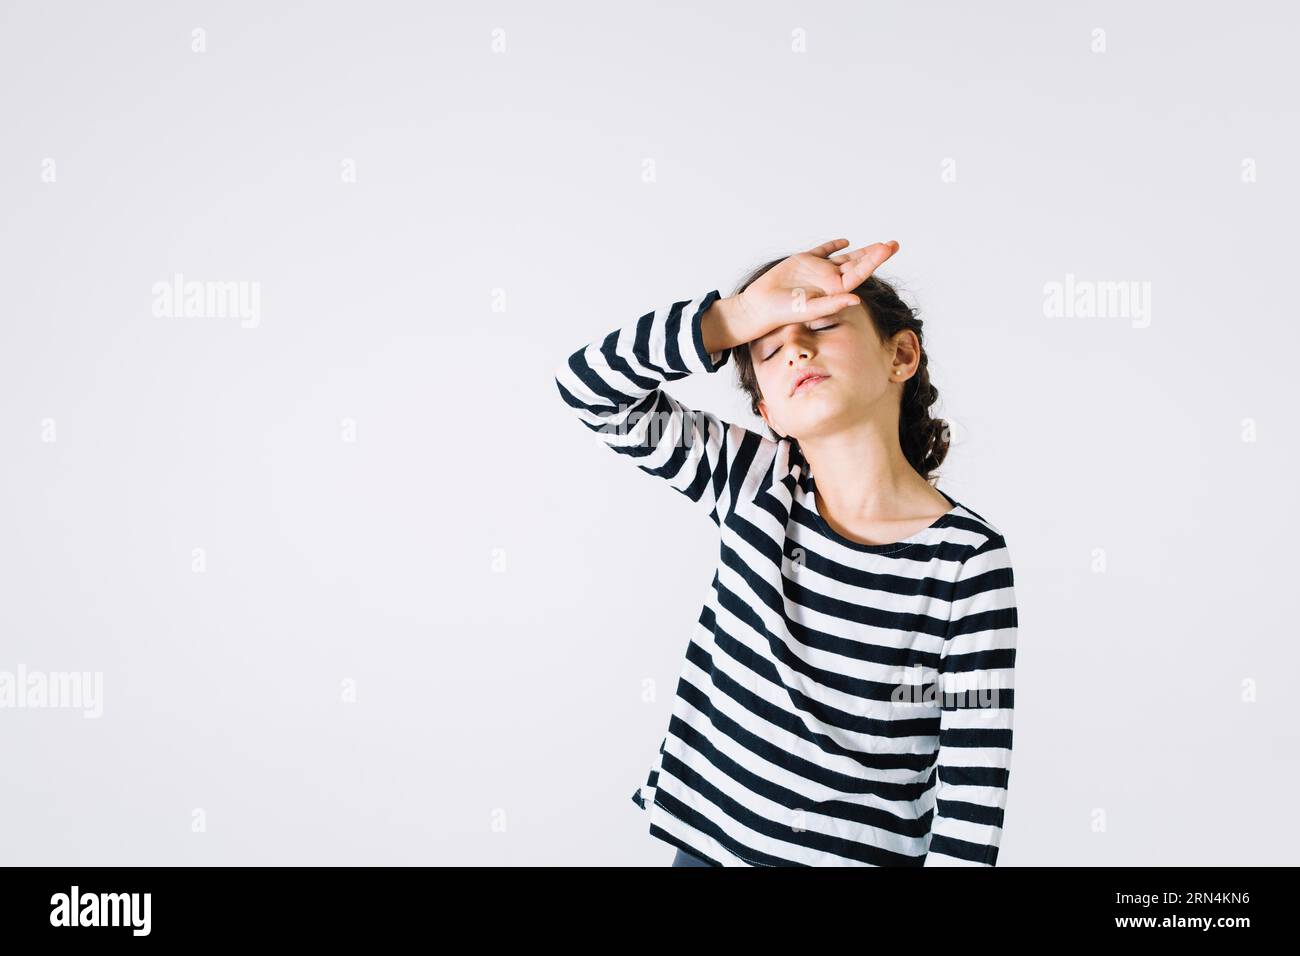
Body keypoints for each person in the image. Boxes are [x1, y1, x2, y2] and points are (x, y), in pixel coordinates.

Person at [553, 238, 1018, 867]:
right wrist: (738, 315)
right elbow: (589, 388)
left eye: (824, 324)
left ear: (900, 355)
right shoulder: (751, 481)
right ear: (768, 409)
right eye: (770, 347)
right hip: (708, 853)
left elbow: (973, 780)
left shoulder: (968, 559)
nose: (796, 346)